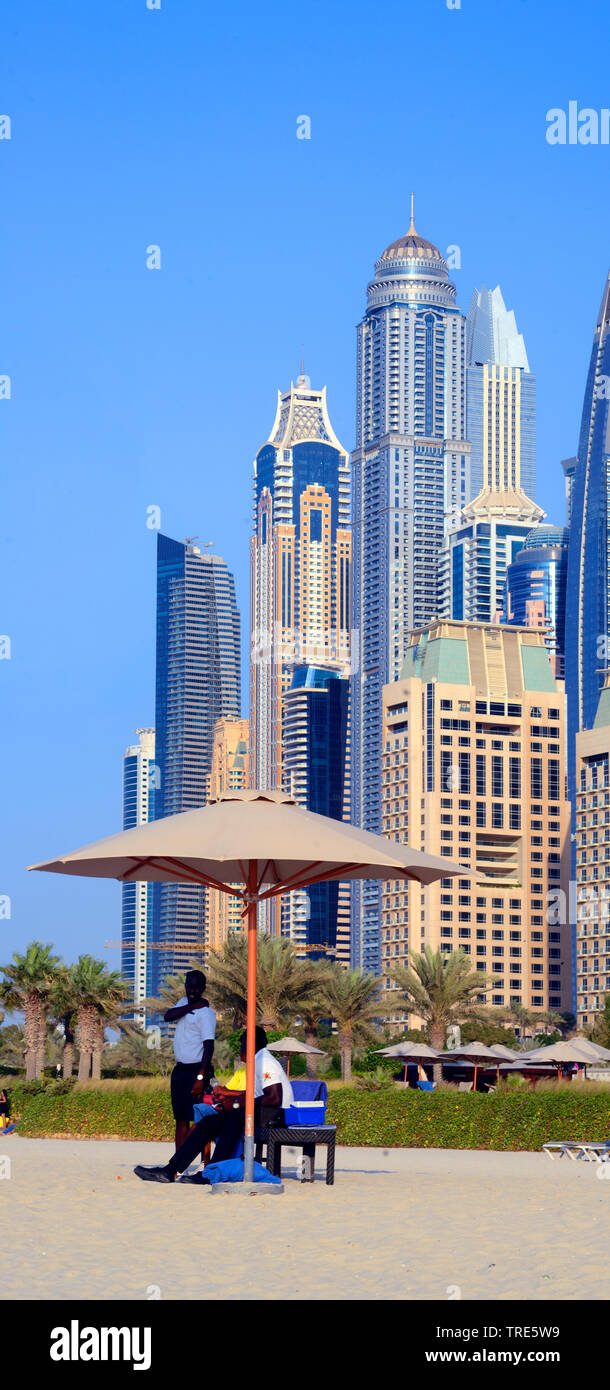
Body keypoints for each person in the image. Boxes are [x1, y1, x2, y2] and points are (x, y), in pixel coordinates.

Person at [134, 1025, 293, 1184]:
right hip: (264, 1112)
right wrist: (231, 1101)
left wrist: (236, 1103)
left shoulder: (265, 1062)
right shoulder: (256, 1061)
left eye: (243, 1043)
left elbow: (274, 1098)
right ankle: (170, 1171)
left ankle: (213, 1173)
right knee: (208, 1122)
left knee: (234, 1116)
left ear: (251, 1043)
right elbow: (255, 1095)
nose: (240, 1048)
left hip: (276, 1116)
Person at [164, 970, 216, 1152]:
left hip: (197, 1071)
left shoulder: (206, 1014)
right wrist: (191, 1006)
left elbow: (209, 1047)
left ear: (203, 988)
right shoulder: (183, 1003)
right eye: (189, 986)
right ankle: (177, 1164)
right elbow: (167, 1016)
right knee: (180, 1118)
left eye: (196, 987)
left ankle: (203, 1161)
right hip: (180, 1070)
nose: (192, 991)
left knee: (199, 1119)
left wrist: (200, 1078)